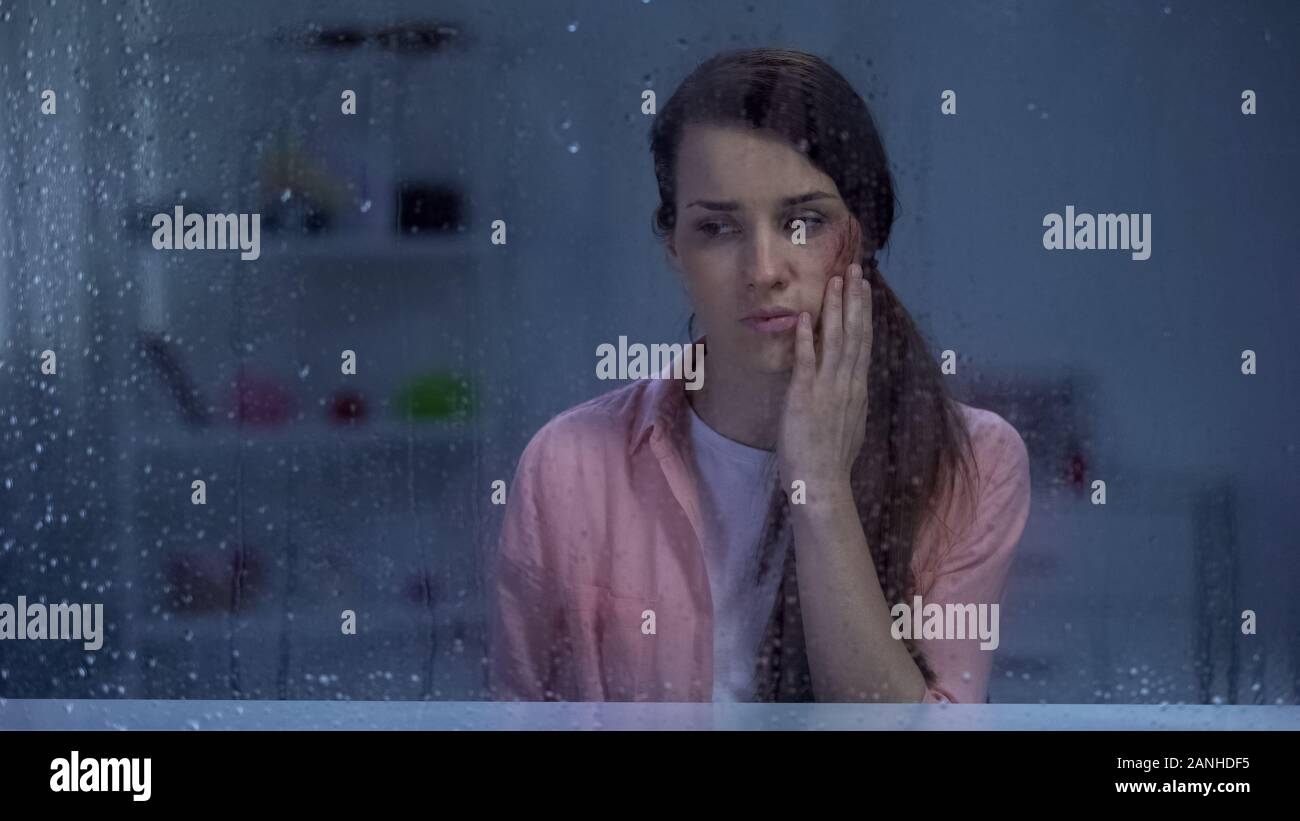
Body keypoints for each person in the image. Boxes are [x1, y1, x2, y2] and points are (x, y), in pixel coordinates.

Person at [489, 47, 1031, 703]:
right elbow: (519, 715)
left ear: (863, 234)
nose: (763, 268)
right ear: (674, 247)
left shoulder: (975, 460)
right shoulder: (566, 463)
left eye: (804, 221)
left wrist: (821, 486)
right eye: (717, 227)